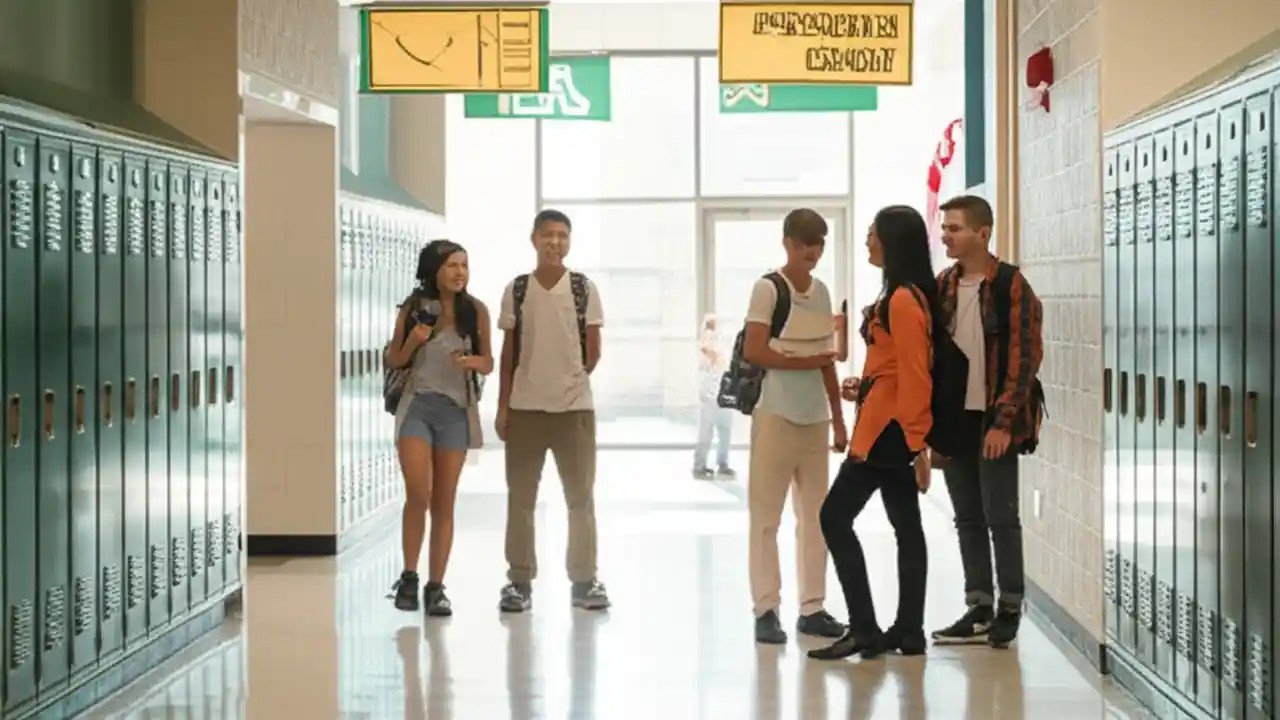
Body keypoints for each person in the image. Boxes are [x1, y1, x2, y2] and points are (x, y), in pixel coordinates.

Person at [808, 205, 938, 661]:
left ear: (892, 242)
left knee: (833, 518)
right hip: (890, 425)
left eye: (872, 234)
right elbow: (894, 368)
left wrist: (916, 442)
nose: (867, 241)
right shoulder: (903, 295)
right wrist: (863, 388)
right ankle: (909, 630)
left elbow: (917, 374)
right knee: (907, 526)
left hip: (888, 433)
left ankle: (864, 628)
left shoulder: (902, 300)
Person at [929, 194, 1044, 649]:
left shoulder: (1011, 285)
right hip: (955, 420)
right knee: (967, 517)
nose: (946, 236)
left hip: (996, 418)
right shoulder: (943, 286)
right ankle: (978, 606)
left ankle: (1009, 606)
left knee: (1001, 515)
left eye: (954, 228)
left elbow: (1024, 358)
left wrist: (1004, 421)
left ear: (982, 233)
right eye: (944, 228)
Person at [495, 209, 610, 613]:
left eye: (562, 235)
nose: (555, 242)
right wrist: (503, 406)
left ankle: (585, 580)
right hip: (525, 409)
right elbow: (508, 354)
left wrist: (569, 380)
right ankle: (519, 580)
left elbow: (593, 350)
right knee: (521, 499)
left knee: (580, 498)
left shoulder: (583, 289)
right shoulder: (517, 289)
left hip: (574, 411)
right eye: (548, 235)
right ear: (534, 239)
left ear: (569, 241)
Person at [743, 208, 847, 644]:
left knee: (816, 519)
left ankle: (813, 607)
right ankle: (766, 608)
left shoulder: (821, 292)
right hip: (775, 415)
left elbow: (828, 362)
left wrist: (839, 420)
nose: (811, 252)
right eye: (803, 243)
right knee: (766, 518)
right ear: (787, 243)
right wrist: (807, 360)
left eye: (817, 244)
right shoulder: (768, 288)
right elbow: (755, 350)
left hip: (814, 419)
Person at [387, 240, 493, 614]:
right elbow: (394, 359)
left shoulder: (475, 311)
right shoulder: (415, 308)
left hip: (455, 412)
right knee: (419, 493)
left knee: (444, 502)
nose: (460, 272)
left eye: (464, 265)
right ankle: (409, 576)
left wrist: (471, 362)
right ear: (434, 270)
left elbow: (488, 363)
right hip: (417, 407)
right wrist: (414, 340)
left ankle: (436, 587)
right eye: (452, 265)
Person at [693, 314, 735, 478]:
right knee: (707, 432)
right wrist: (715, 355)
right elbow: (707, 351)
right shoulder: (707, 344)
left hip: (721, 392)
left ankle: (722, 464)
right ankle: (700, 466)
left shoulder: (720, 343)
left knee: (724, 430)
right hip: (709, 394)